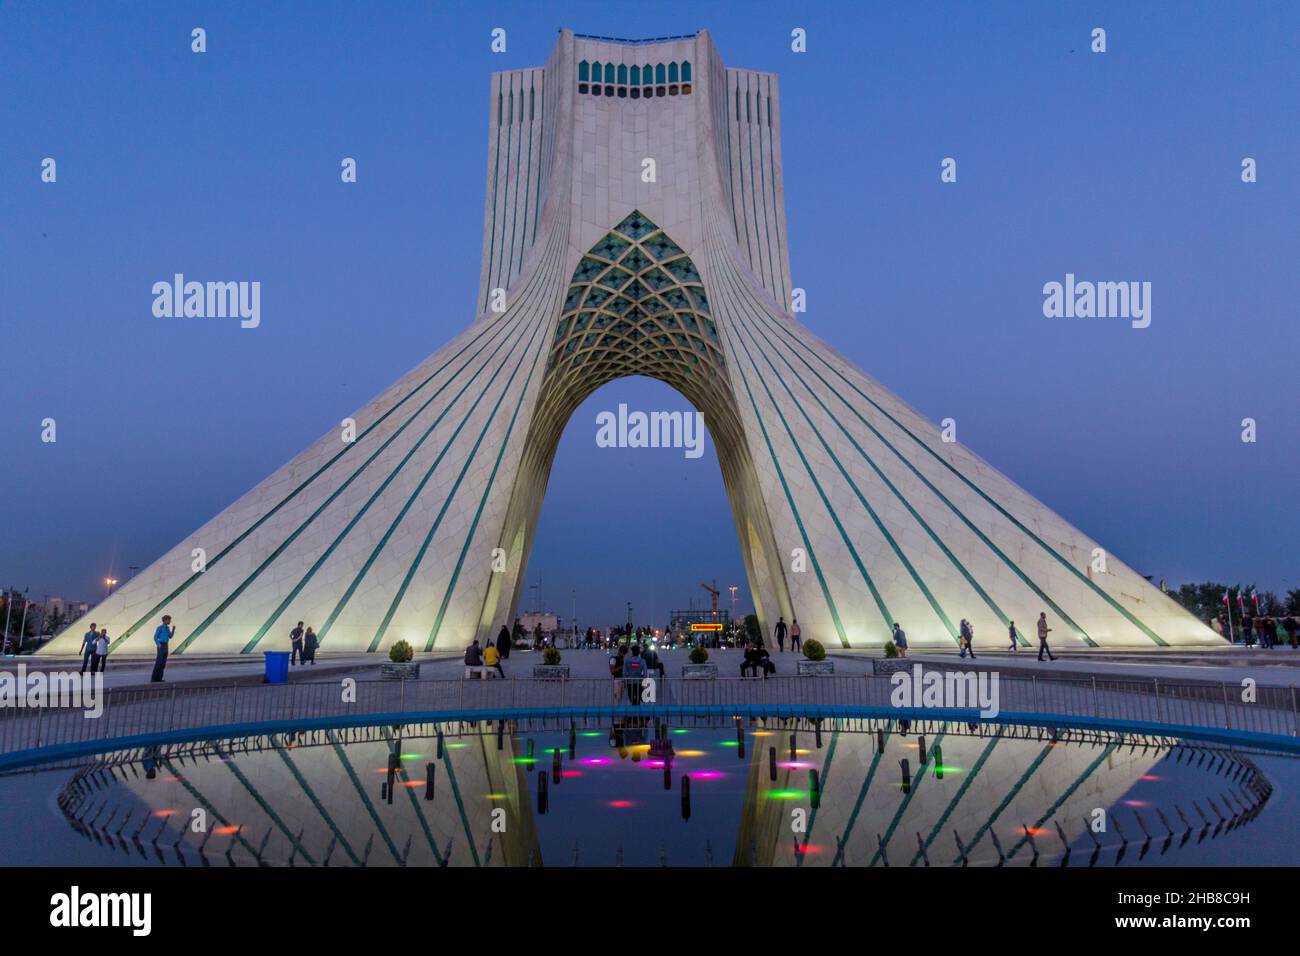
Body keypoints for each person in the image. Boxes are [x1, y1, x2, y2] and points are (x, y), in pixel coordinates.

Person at [151, 615, 174, 682]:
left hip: (166, 645)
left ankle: (159, 678)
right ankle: (154, 679)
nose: (170, 621)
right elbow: (155, 637)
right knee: (159, 662)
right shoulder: (160, 628)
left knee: (163, 663)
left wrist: (173, 630)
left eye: (170, 620)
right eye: (169, 620)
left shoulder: (167, 628)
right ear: (164, 620)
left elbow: (170, 636)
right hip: (161, 645)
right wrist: (158, 645)